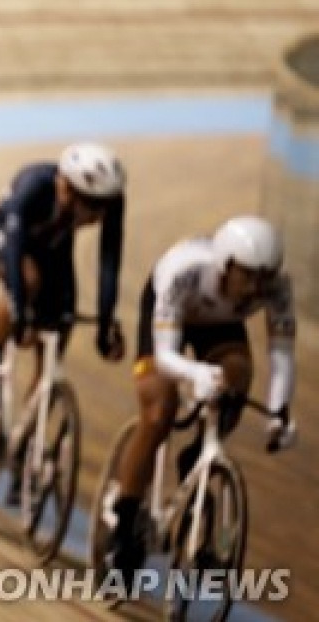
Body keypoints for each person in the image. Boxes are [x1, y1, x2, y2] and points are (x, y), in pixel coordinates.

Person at [107, 215, 298, 583]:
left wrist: (278, 412)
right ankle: (125, 519)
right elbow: (165, 356)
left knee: (237, 375)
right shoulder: (186, 271)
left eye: (266, 277)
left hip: (219, 323)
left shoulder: (277, 287)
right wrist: (195, 373)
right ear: (225, 266)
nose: (258, 288)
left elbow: (282, 354)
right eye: (249, 276)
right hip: (169, 316)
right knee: (160, 411)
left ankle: (198, 454)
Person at [0, 143, 128, 421]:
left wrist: (105, 323)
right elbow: (15, 249)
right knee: (29, 280)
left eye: (102, 207)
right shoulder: (35, 186)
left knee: (62, 318)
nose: (95, 216)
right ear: (65, 186)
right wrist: (19, 312)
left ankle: (29, 430)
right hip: (6, 237)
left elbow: (109, 263)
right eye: (90, 205)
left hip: (53, 248)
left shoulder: (111, 200)